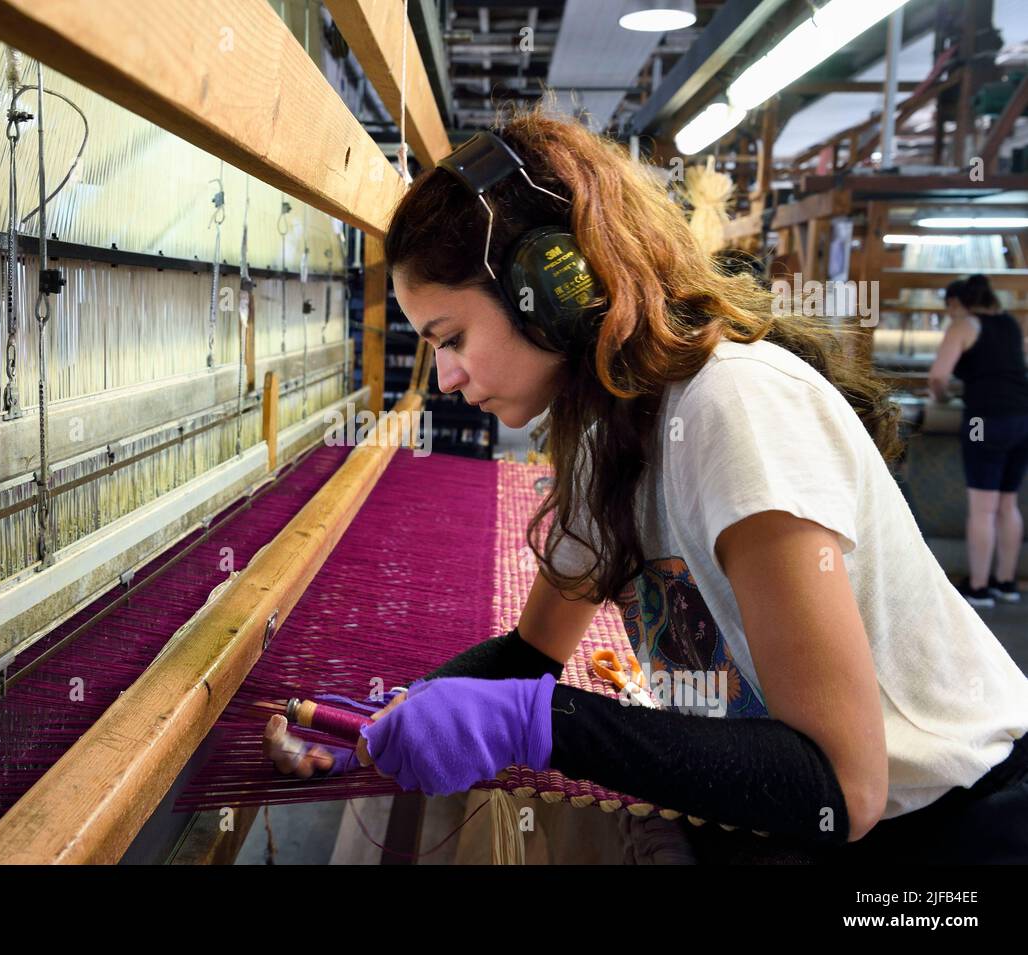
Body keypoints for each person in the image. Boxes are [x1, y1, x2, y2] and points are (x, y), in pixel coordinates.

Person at [263, 104, 1028, 863]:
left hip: (956, 833)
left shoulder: (736, 406)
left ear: (551, 284)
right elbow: (530, 654)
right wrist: (382, 717)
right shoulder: (611, 441)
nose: (450, 378)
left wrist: (543, 722)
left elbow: (841, 788)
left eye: (452, 338)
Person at [929, 274, 1028, 607]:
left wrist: (941, 398)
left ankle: (979, 587)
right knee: (1007, 503)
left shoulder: (963, 325)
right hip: (1022, 418)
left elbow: (939, 375)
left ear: (956, 303)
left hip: (980, 420)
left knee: (982, 507)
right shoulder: (1010, 324)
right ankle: (1007, 583)